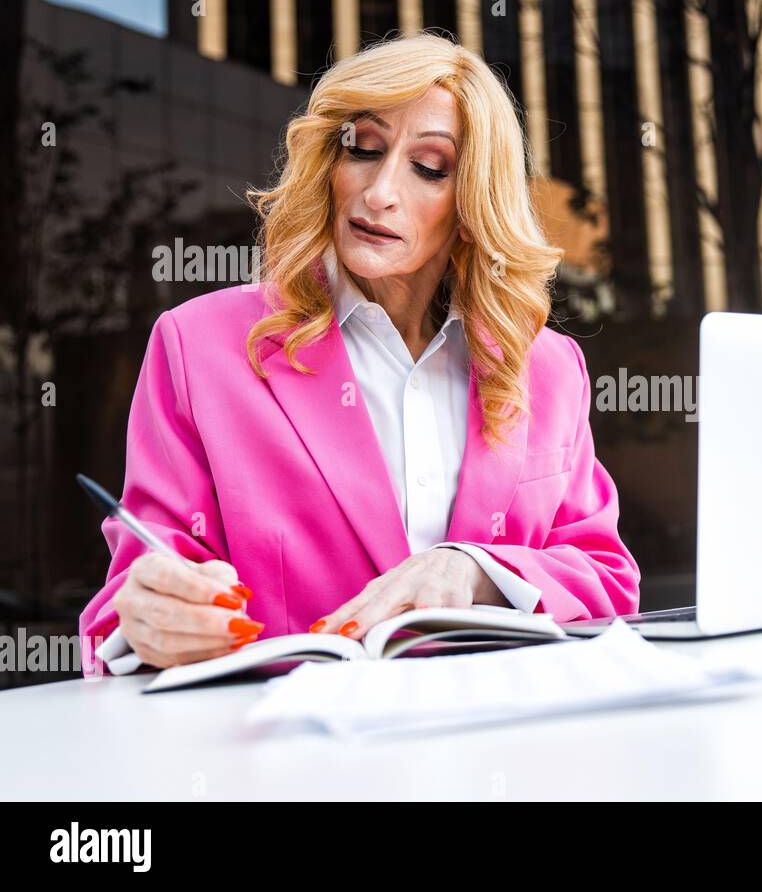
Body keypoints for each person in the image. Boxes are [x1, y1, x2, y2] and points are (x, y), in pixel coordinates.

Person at [79, 34, 640, 670]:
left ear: (471, 203)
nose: (379, 193)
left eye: (429, 167)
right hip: (288, 753)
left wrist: (475, 571)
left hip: (496, 747)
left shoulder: (548, 366)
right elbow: (126, 600)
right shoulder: (197, 344)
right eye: (363, 149)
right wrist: (147, 620)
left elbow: (606, 579)